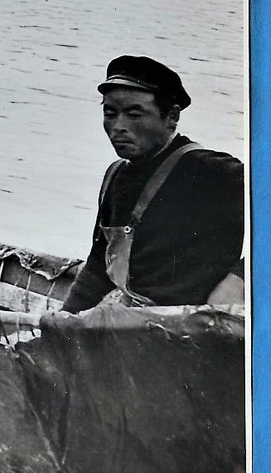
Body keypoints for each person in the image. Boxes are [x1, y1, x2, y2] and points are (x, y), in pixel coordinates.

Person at [61, 55, 245, 312]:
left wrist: (240, 281)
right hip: (135, 324)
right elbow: (98, 266)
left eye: (134, 114)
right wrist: (63, 321)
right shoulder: (116, 177)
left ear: (171, 116)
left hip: (195, 332)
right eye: (110, 113)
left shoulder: (211, 171)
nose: (118, 127)